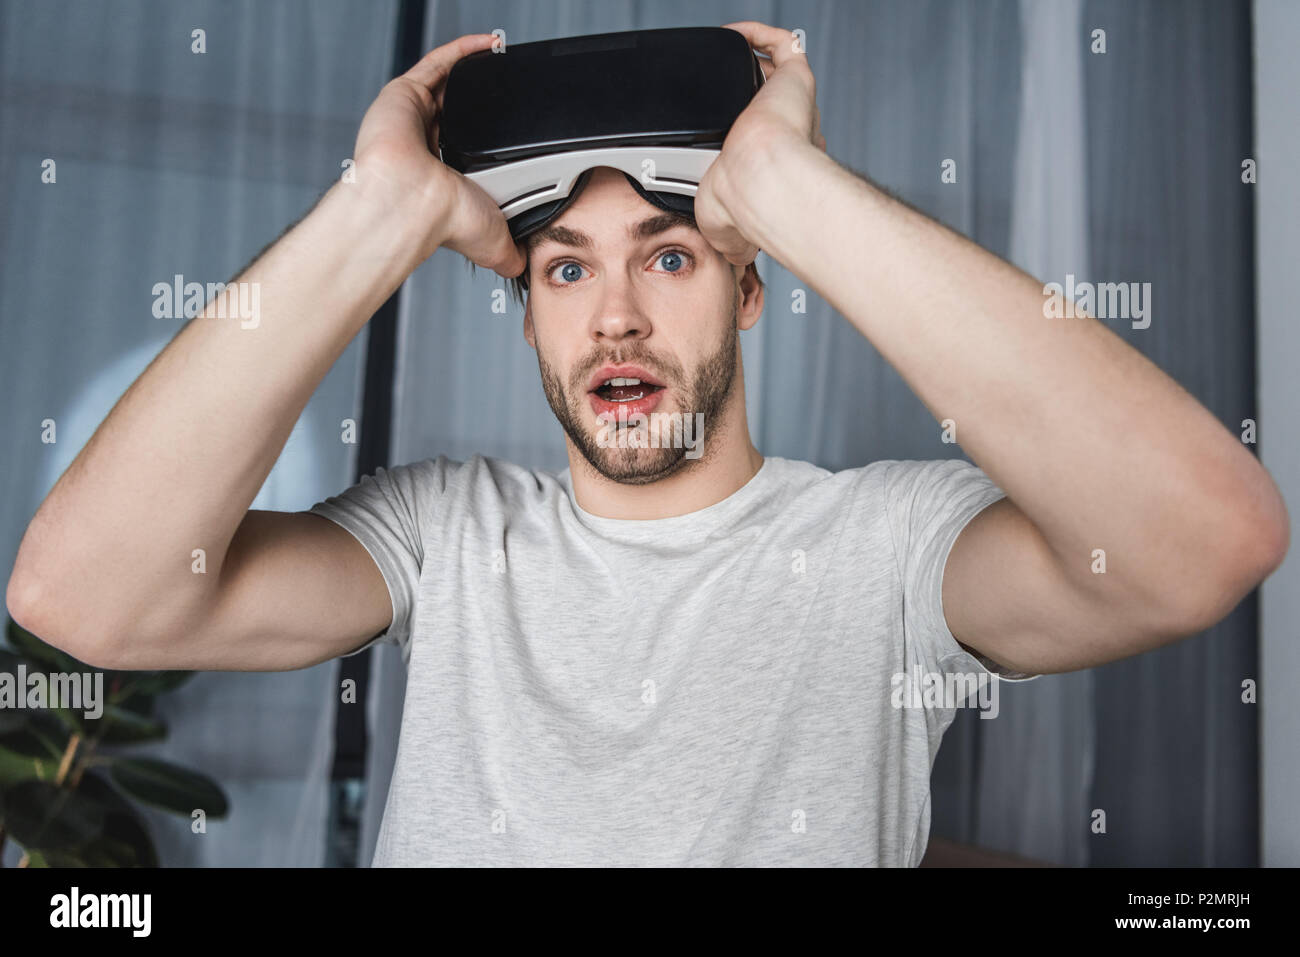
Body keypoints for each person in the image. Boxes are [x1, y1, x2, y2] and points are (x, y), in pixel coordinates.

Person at [6, 23, 1288, 866]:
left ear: (749, 289)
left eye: (668, 258)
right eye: (563, 269)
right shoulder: (444, 536)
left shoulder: (884, 550)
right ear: (527, 322)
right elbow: (83, 600)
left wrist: (786, 190)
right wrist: (378, 209)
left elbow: (1204, 543)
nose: (612, 312)